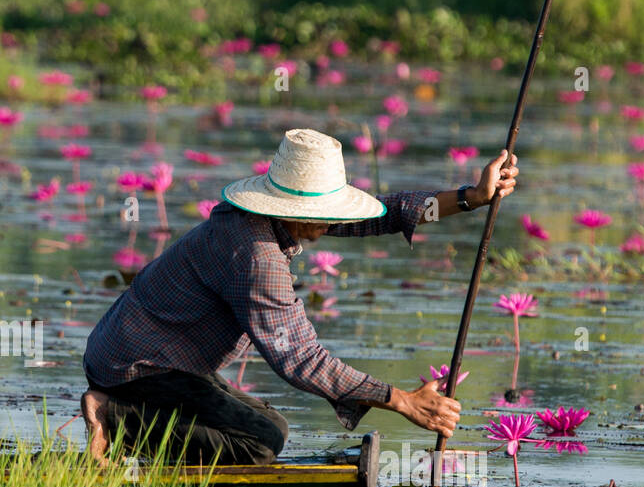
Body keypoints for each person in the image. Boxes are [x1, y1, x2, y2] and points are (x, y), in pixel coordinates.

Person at [81, 127, 518, 464]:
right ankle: (117, 417)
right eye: (322, 215)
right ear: (291, 209)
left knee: (269, 424)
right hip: (138, 367)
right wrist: (400, 400)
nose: (330, 223)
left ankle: (127, 422)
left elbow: (386, 213)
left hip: (154, 355)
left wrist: (470, 197)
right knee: (260, 442)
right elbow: (301, 358)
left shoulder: (264, 217)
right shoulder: (257, 257)